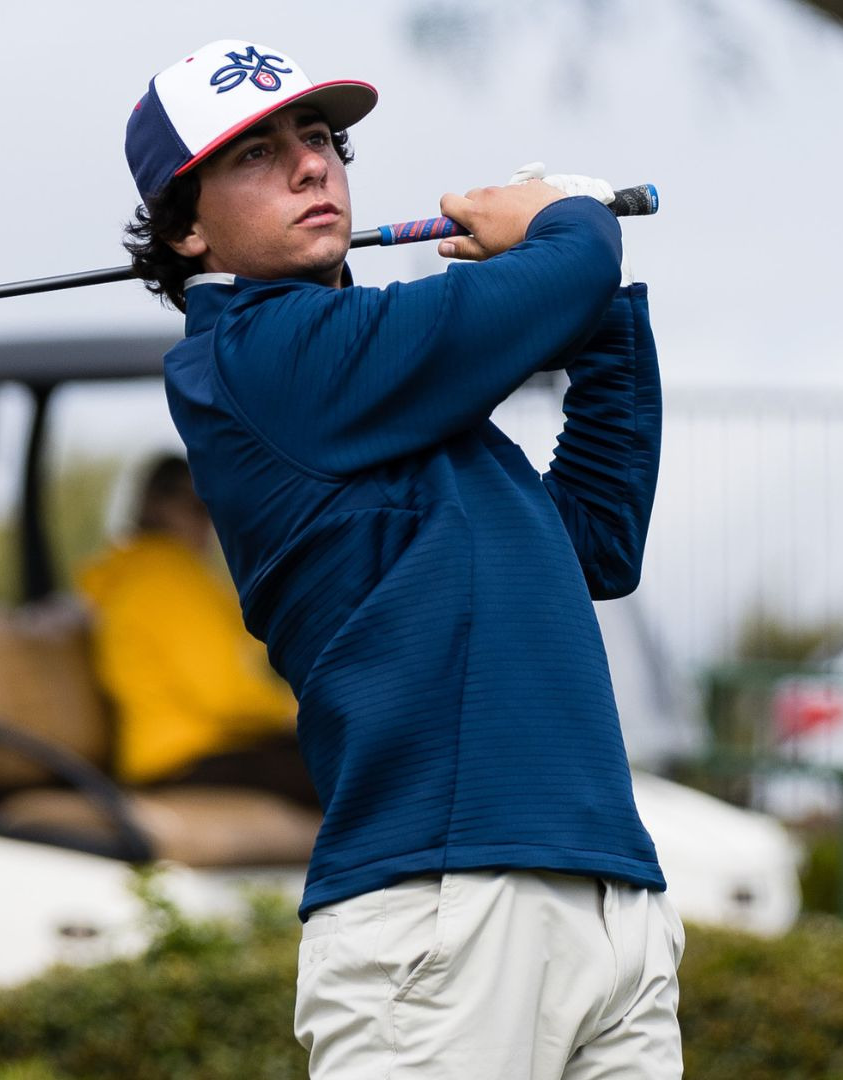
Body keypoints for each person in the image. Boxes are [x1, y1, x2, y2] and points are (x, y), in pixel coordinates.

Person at [121, 39, 680, 1077]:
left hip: (605, 893)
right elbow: (551, 278)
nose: (310, 165)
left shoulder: (408, 412)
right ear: (187, 230)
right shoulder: (255, 362)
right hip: (439, 913)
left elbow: (595, 542)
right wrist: (567, 226)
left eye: (322, 138)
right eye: (255, 155)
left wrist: (599, 302)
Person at [77, 454, 317, 808]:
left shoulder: (152, 573)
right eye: (197, 507)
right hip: (180, 761)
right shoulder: (163, 578)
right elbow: (224, 693)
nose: (210, 522)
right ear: (158, 506)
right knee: (359, 766)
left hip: (191, 754)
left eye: (212, 508)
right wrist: (300, 711)